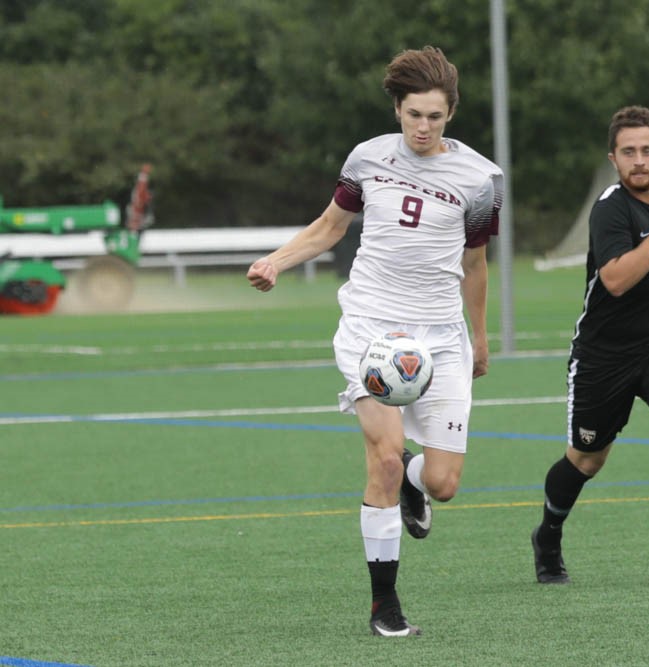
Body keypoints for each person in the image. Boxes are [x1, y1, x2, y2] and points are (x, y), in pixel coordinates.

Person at [247, 46, 503, 636]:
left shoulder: (480, 179)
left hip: (440, 337)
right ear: (397, 108)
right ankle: (384, 606)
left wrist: (479, 339)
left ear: (451, 114)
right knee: (383, 460)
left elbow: (476, 263)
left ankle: (417, 480)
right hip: (370, 327)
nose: (422, 127)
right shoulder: (367, 159)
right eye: (413, 114)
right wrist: (277, 261)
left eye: (435, 116)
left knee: (443, 483)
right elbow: (329, 227)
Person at [530, 105, 649, 584]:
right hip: (604, 354)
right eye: (628, 152)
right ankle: (548, 535)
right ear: (613, 158)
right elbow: (614, 280)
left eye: (648, 150)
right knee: (587, 460)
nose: (639, 160)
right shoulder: (609, 209)